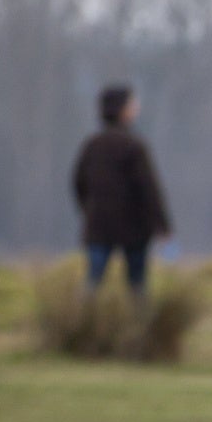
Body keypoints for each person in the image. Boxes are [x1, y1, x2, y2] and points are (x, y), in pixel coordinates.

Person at [71, 84, 173, 302]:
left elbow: (78, 183)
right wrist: (162, 226)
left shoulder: (92, 145)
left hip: (99, 226)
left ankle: (78, 323)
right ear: (123, 110)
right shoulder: (134, 146)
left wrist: (89, 211)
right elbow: (149, 190)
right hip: (134, 229)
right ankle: (139, 330)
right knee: (137, 287)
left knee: (92, 282)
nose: (136, 108)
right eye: (132, 104)